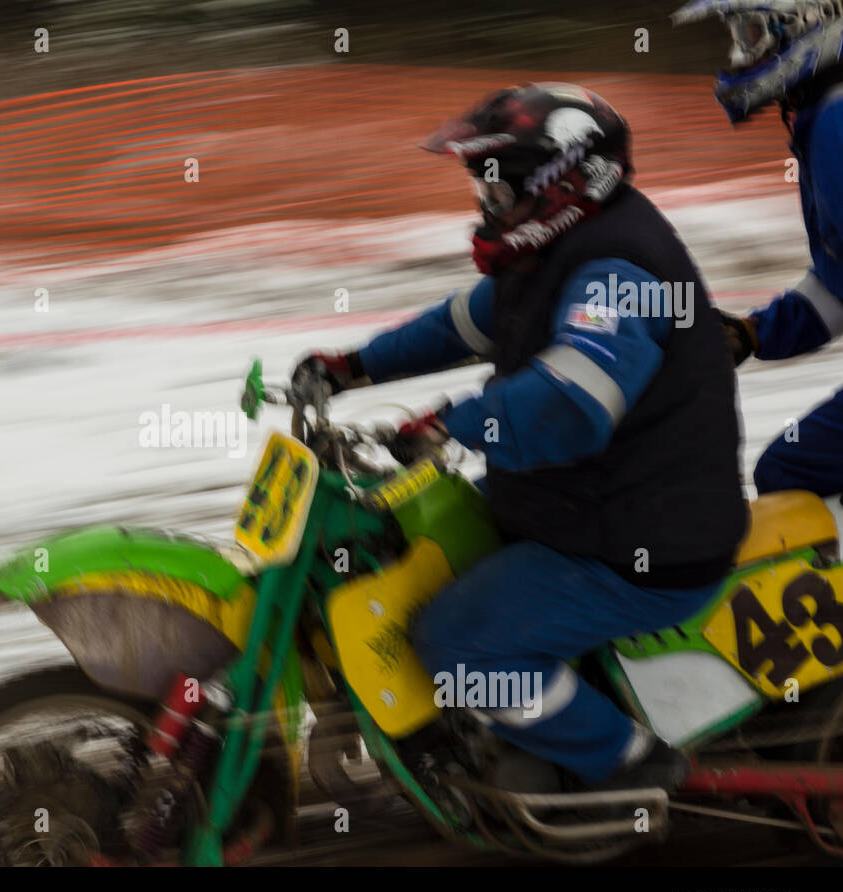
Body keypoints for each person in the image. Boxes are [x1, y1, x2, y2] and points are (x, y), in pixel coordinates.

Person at [292, 83, 747, 789]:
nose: (486, 203)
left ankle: (628, 763)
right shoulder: (551, 250)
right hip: (583, 501)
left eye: (499, 189)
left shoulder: (619, 273)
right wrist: (349, 367)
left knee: (460, 646)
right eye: (483, 186)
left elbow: (574, 396)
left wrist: (454, 424)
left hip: (643, 542)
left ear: (564, 185)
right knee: (408, 534)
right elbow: (459, 324)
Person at [673, 0, 843, 498]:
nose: (739, 53)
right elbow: (838, 285)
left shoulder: (835, 121)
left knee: (790, 473)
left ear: (808, 24)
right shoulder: (821, 113)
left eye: (750, 34)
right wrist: (753, 333)